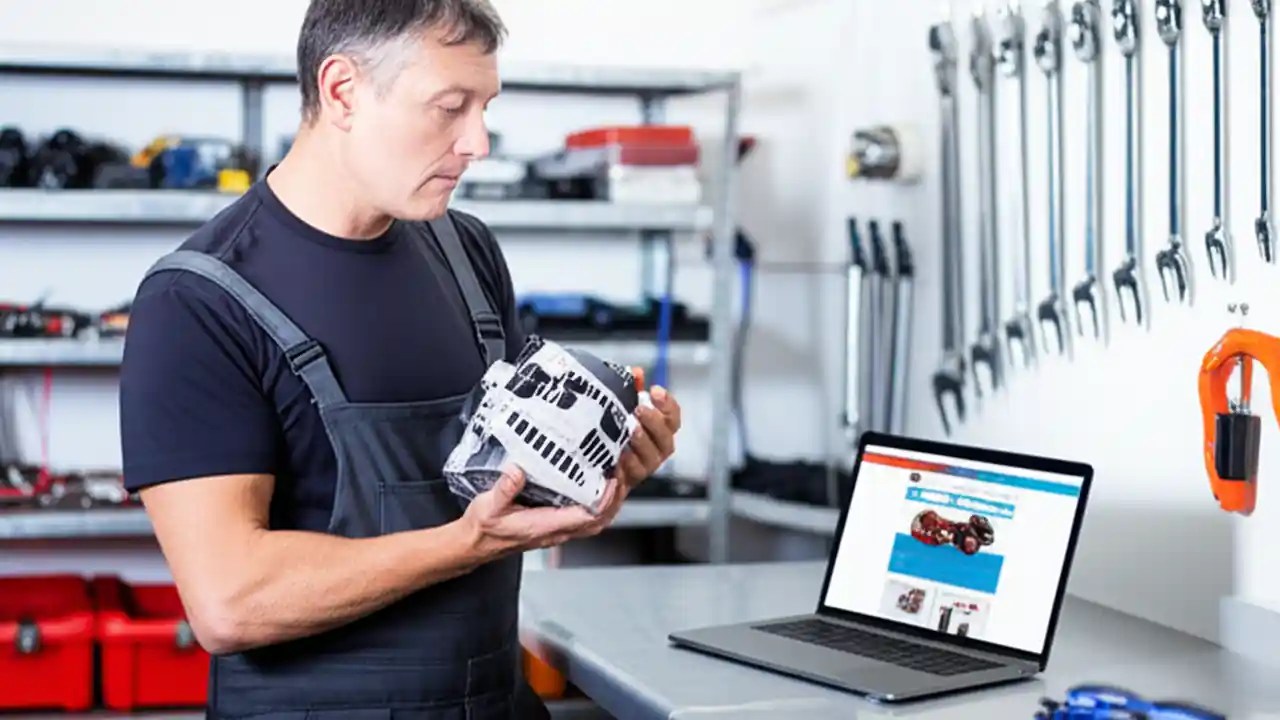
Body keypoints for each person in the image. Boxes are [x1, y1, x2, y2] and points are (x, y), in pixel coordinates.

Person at [117, 1, 683, 717]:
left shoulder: (467, 252)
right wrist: (464, 544)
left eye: (485, 107)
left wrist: (593, 472)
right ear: (343, 91)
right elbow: (231, 601)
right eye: (449, 107)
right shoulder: (198, 302)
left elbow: (503, 479)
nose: (476, 141)